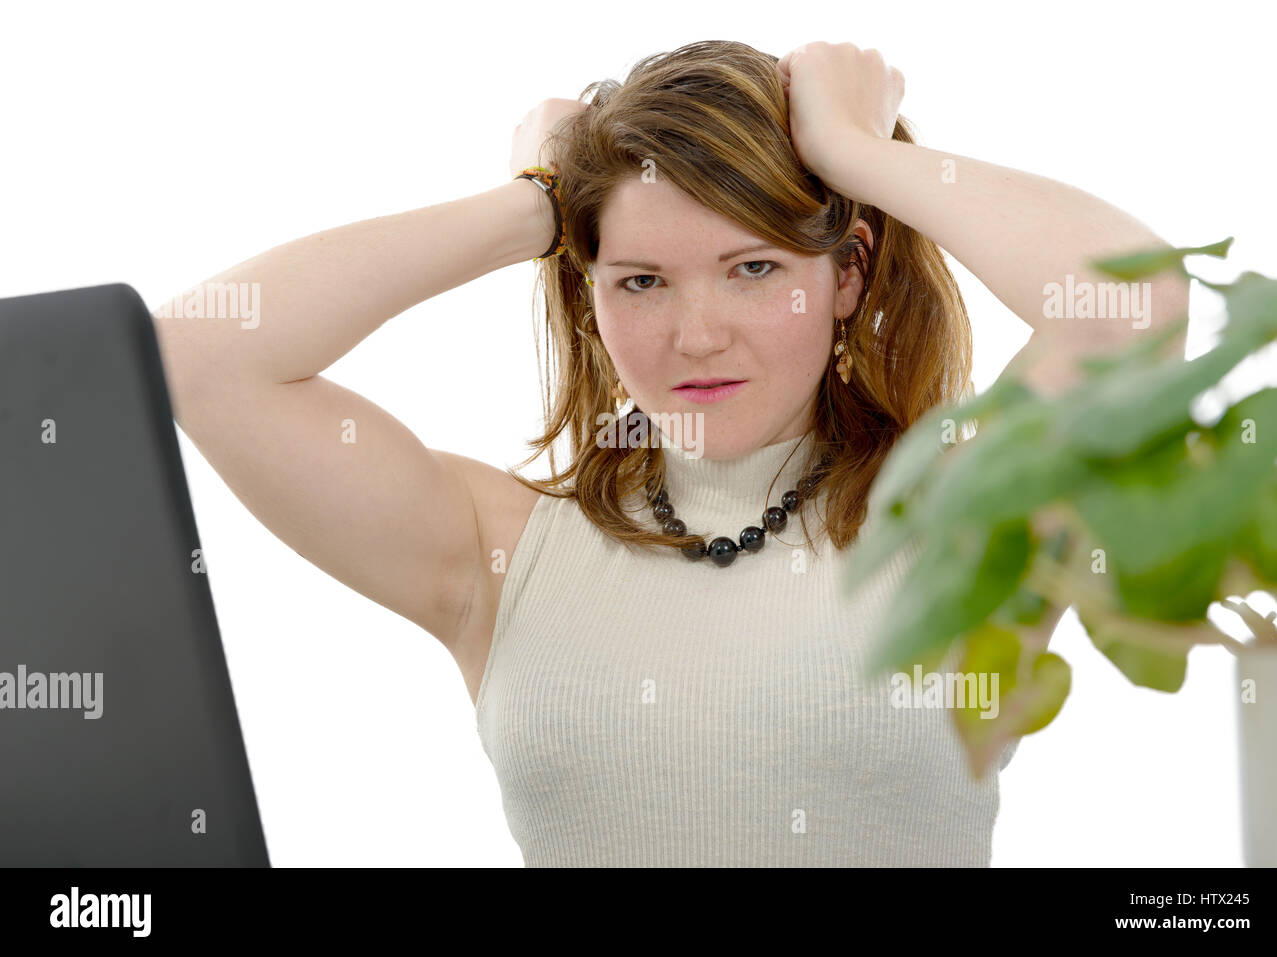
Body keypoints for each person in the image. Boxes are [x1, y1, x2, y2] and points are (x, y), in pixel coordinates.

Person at [150, 39, 1188, 866]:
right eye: (640, 280)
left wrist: (858, 153)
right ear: (587, 297)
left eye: (752, 267)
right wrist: (537, 199)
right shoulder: (501, 550)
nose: (696, 336)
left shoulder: (962, 514)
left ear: (848, 276)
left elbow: (1133, 302)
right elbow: (201, 358)